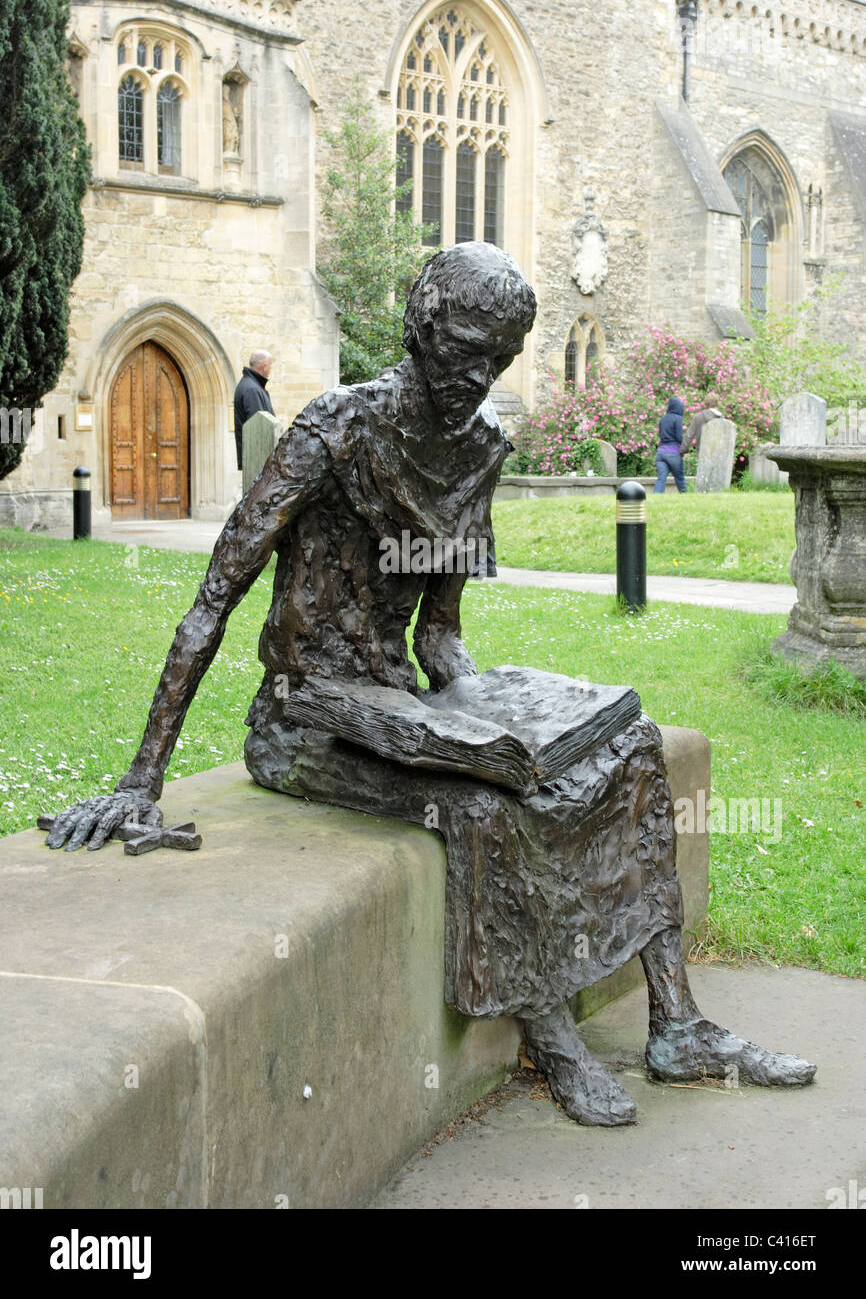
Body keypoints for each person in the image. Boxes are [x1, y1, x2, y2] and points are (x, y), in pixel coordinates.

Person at [46, 243, 815, 1125]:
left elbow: (440, 633)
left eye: (498, 358)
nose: (477, 375)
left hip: (407, 705)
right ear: (422, 324)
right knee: (484, 808)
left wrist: (496, 711)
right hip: (306, 720)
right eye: (464, 348)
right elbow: (214, 598)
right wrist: (141, 779)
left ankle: (678, 1024)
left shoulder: (482, 449)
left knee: (631, 751)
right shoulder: (335, 430)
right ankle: (552, 1037)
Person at [233, 350, 274, 470]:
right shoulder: (252, 389)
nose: (270, 369)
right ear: (264, 365)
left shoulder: (252, 386)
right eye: (270, 365)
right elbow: (259, 426)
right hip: (257, 460)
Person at [654, 394, 687, 493]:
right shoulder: (678, 418)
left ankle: (656, 498)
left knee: (661, 479)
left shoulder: (662, 419)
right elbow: (679, 437)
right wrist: (685, 450)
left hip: (660, 453)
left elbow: (660, 435)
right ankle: (686, 496)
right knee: (680, 479)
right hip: (673, 453)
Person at [682, 391, 723, 455]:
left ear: (706, 403)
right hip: (718, 454)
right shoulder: (722, 419)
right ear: (717, 403)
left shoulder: (698, 417)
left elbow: (689, 436)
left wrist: (682, 450)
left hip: (702, 453)